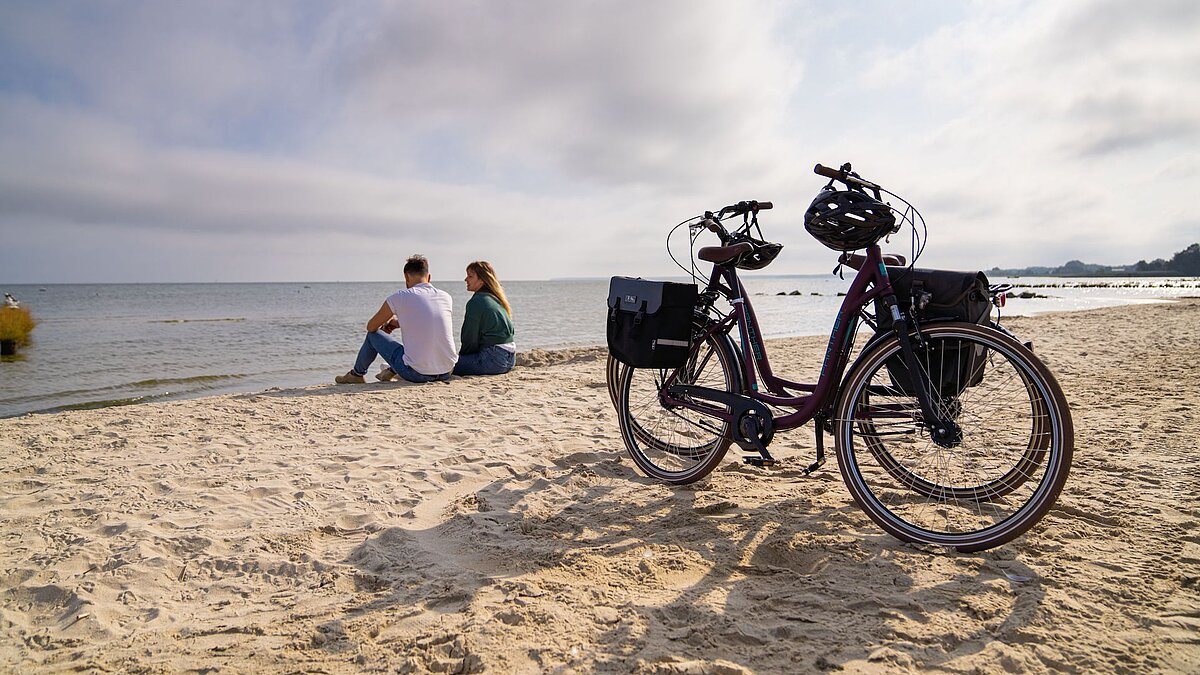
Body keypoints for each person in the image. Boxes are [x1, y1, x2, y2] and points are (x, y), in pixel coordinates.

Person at [335, 254, 457, 384]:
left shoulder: (400, 297)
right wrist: (398, 323)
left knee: (372, 335)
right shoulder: (446, 297)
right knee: (418, 344)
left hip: (417, 374)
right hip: (446, 371)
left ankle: (357, 374)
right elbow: (426, 322)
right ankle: (390, 371)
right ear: (429, 277)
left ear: (406, 277)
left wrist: (385, 324)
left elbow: (371, 326)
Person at [453, 261, 516, 376]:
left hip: (493, 360)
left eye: (470, 276)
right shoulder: (496, 299)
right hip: (510, 360)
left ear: (482, 280)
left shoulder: (477, 301)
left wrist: (461, 359)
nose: (465, 279)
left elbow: (469, 338)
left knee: (444, 365)